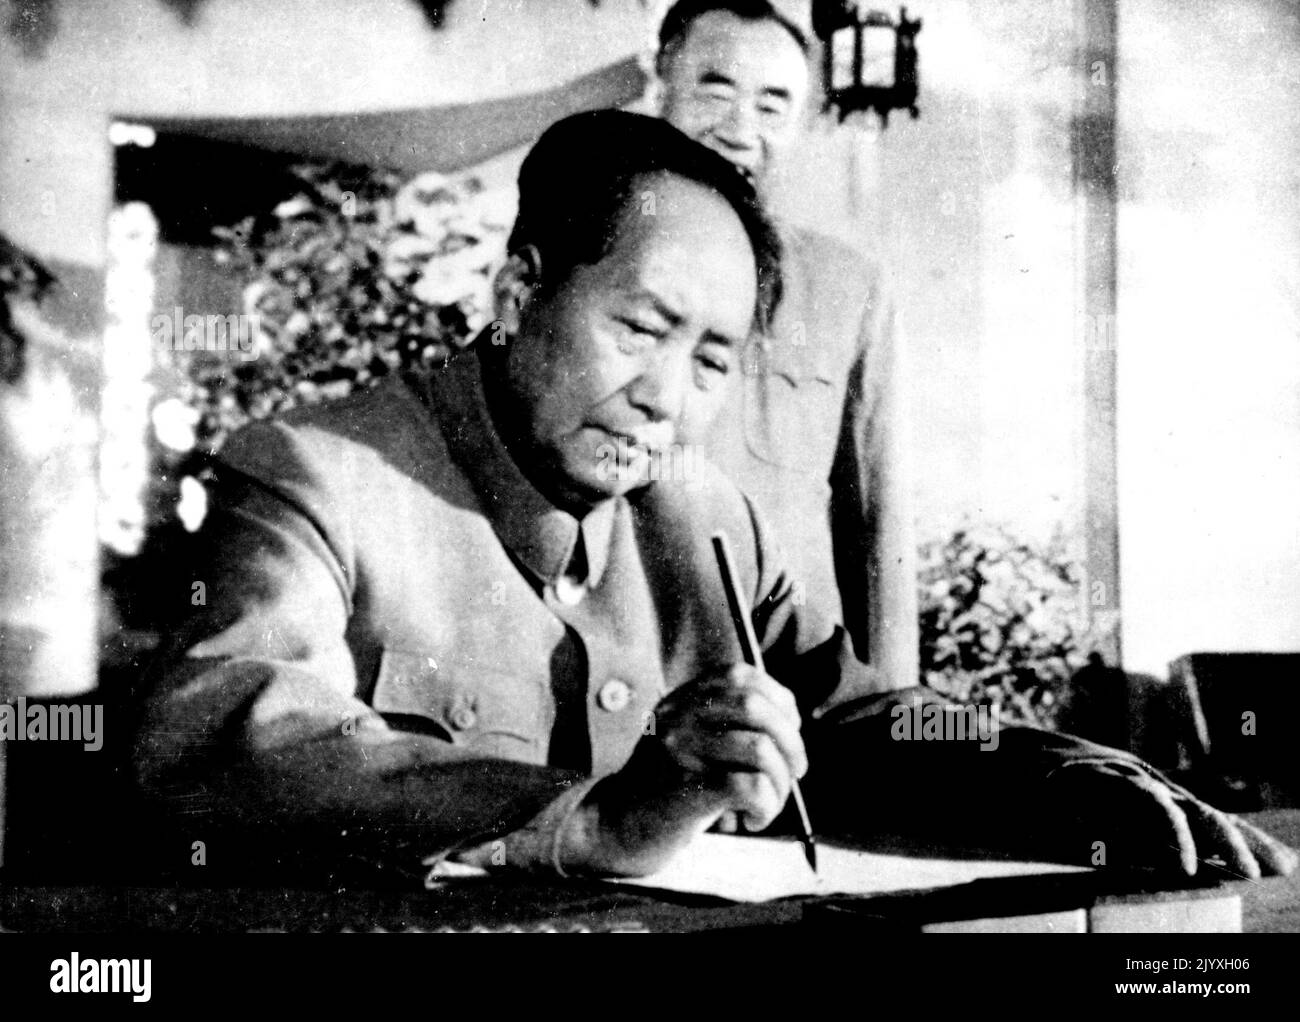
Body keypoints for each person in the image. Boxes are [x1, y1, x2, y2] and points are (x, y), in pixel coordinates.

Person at [132, 111, 1295, 885]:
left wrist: (1062, 775)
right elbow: (234, 736)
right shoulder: (314, 473)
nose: (664, 398)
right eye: (639, 327)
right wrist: (582, 818)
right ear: (518, 289)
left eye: (710, 359)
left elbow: (854, 714)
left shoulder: (701, 510)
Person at [655, 0, 918, 689]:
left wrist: (893, 710)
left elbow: (877, 525)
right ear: (660, 76)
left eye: (774, 104)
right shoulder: (584, 259)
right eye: (716, 88)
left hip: (790, 686)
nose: (741, 126)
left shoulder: (849, 287)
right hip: (627, 672)